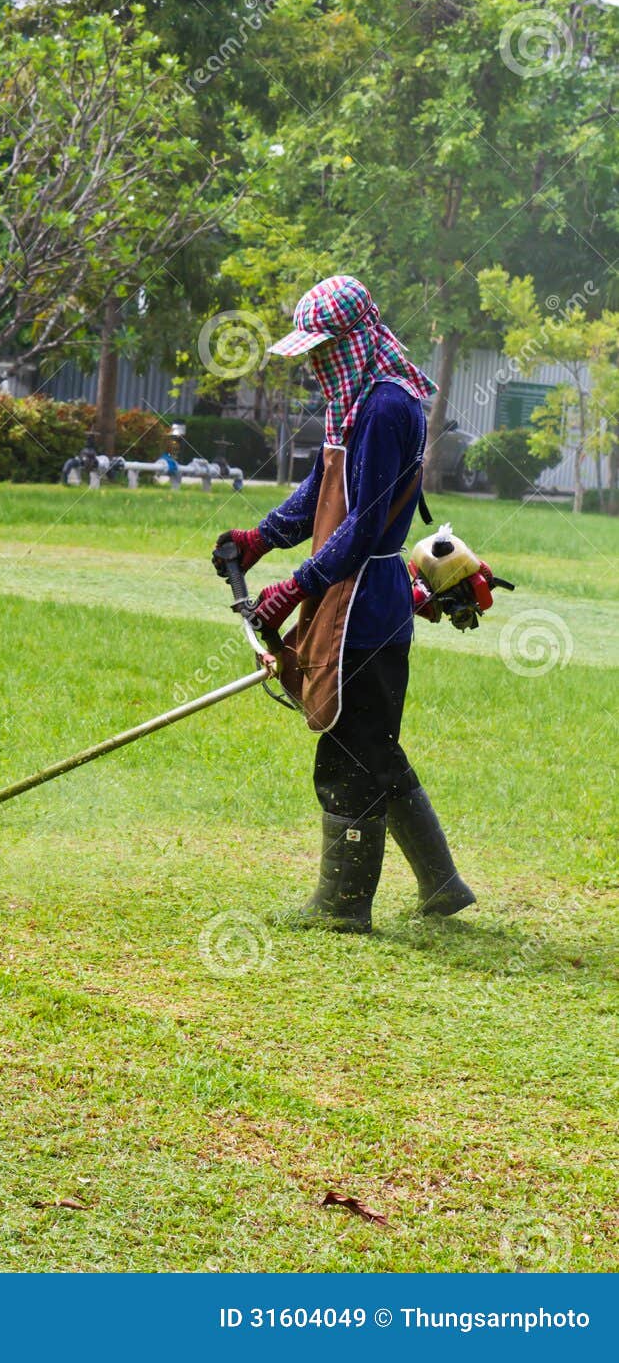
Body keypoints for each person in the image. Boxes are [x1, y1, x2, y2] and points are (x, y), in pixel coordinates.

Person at [213, 275, 475, 934]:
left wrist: (292, 587)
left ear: (354, 339)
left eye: (323, 348)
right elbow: (320, 485)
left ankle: (342, 907)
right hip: (347, 596)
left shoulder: (387, 407)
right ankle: (442, 888)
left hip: (367, 602)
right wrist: (261, 537)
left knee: (350, 753)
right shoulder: (354, 401)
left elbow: (360, 527)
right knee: (373, 747)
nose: (314, 361)